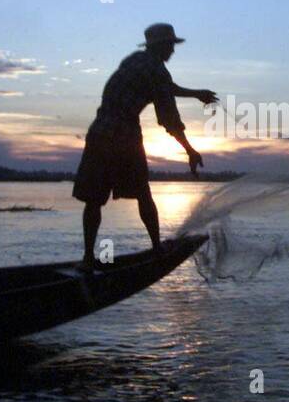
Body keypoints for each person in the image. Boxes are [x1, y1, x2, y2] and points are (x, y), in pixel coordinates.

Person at [72, 23, 217, 269]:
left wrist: (194, 94)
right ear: (161, 46)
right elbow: (169, 118)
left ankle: (87, 259)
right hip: (124, 136)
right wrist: (190, 150)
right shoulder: (157, 72)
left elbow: (163, 87)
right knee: (143, 194)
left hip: (98, 132)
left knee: (93, 200)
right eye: (170, 45)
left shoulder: (134, 60)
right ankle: (157, 248)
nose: (173, 51)